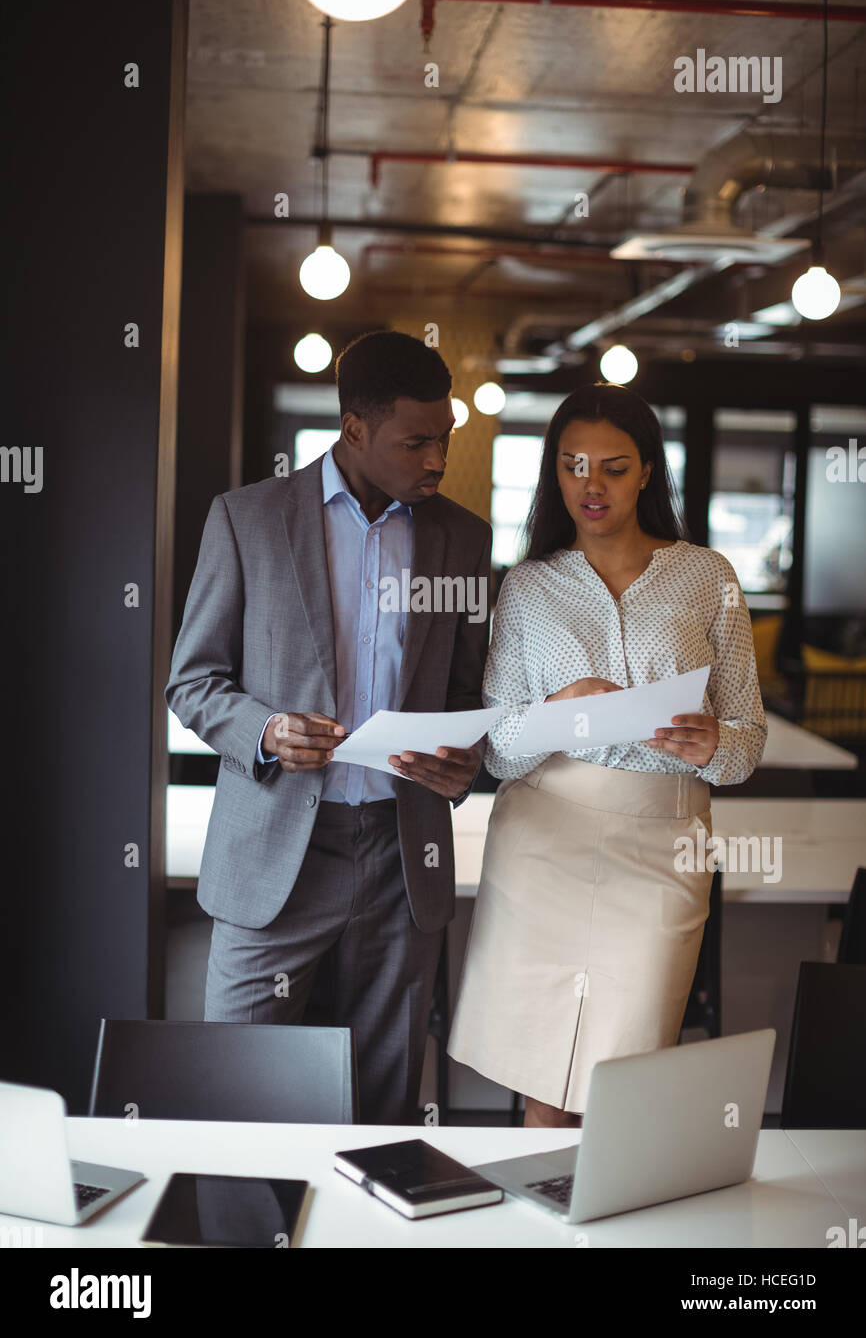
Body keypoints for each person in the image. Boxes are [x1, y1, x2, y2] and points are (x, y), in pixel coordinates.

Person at [166, 330, 492, 1125]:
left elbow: (469, 693)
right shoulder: (246, 518)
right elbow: (194, 681)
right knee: (237, 1096)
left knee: (380, 1105)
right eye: (416, 441)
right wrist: (267, 729)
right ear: (354, 429)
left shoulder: (461, 539)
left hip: (401, 855)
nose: (436, 460)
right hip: (276, 854)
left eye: (444, 440)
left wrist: (466, 765)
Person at [447, 382, 766, 1128]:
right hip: (542, 844)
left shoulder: (709, 576)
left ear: (649, 471)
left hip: (664, 848)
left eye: (614, 468)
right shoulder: (526, 587)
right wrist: (556, 716)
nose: (591, 485)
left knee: (626, 1073)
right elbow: (497, 749)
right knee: (541, 1077)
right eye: (572, 465)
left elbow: (747, 736)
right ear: (554, 472)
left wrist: (715, 743)